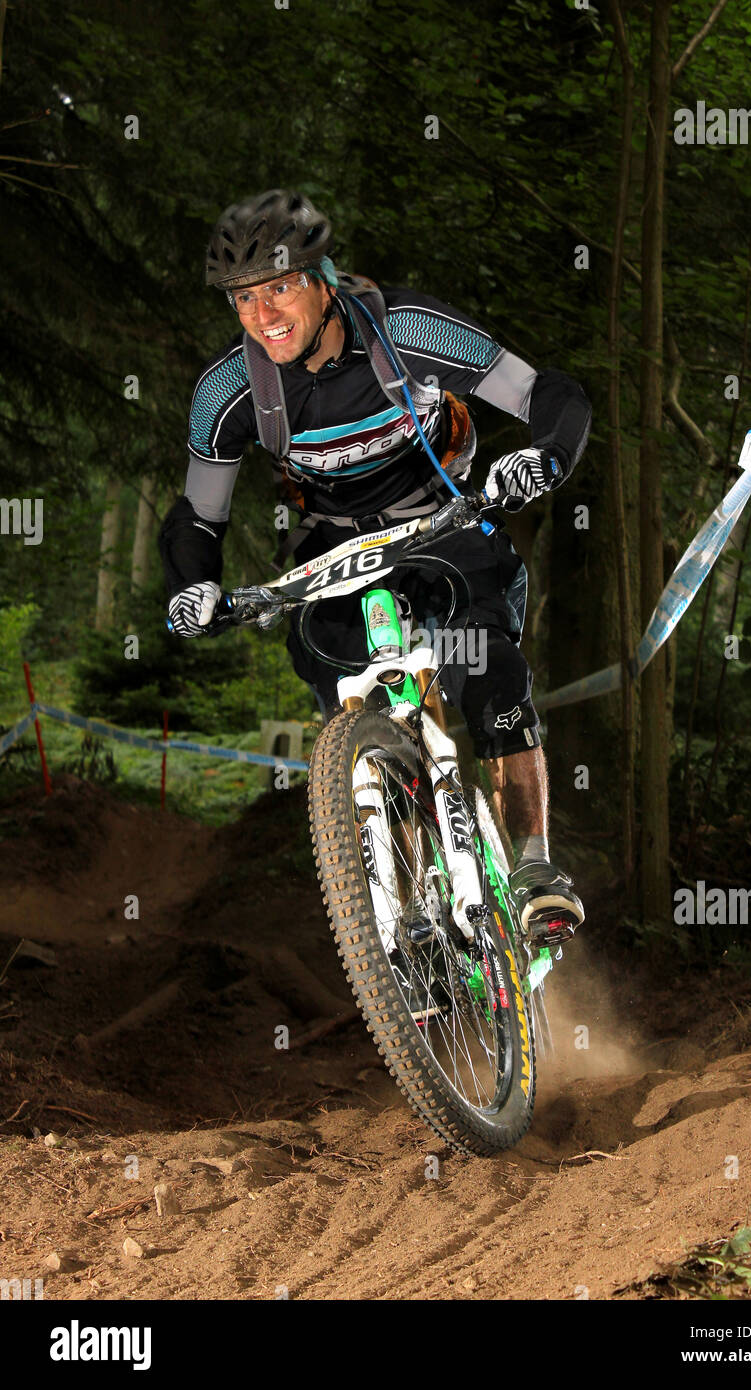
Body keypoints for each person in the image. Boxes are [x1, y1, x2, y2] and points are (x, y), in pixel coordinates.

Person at [158, 189, 591, 943]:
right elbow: (199, 514)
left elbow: (546, 391)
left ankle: (534, 866)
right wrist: (193, 587)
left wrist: (542, 453)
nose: (264, 316)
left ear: (322, 279)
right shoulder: (227, 392)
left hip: (441, 519)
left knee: (484, 665)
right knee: (336, 677)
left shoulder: (407, 330)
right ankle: (408, 891)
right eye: (243, 299)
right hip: (330, 553)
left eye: (281, 287)